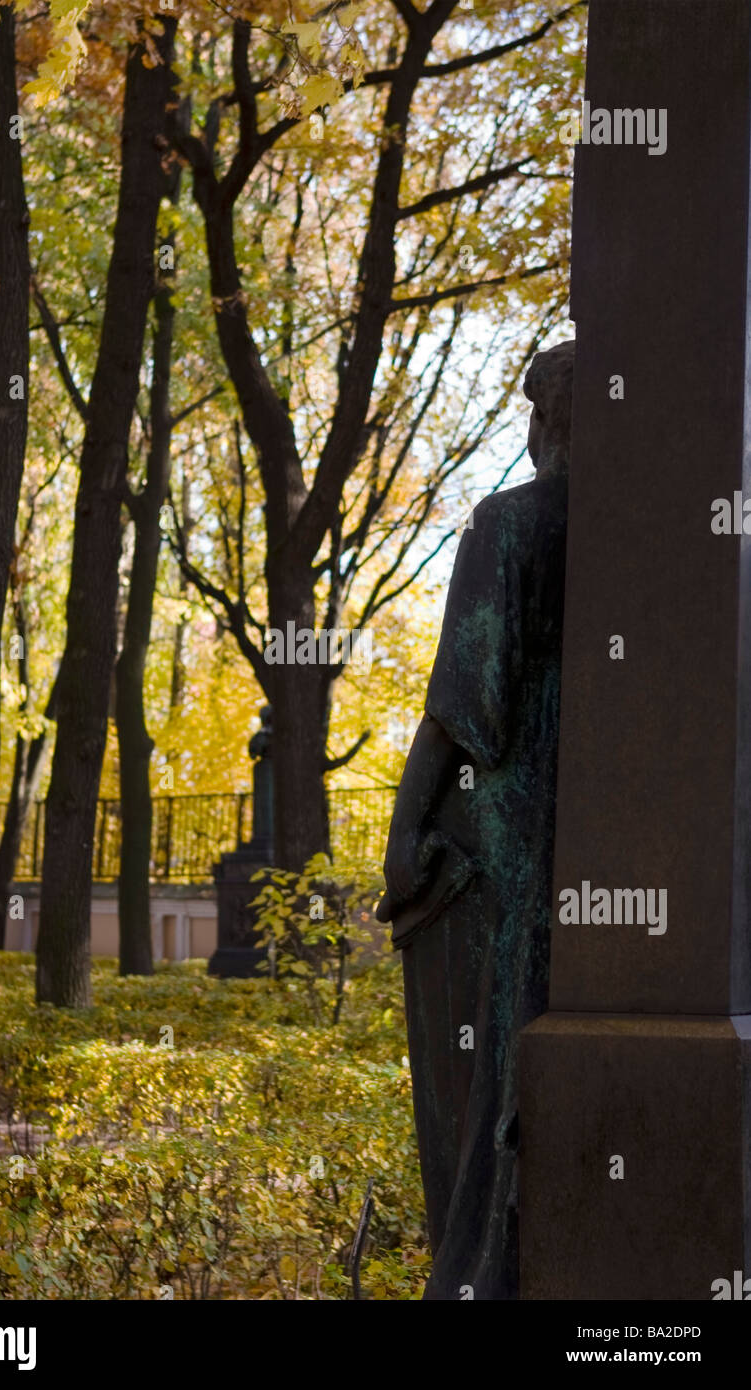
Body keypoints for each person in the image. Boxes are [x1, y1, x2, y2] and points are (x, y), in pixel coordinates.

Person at [376, 340, 575, 1299]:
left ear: (552, 422)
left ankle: (474, 1269)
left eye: (537, 415)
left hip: (492, 838)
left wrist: (403, 835)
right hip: (576, 829)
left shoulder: (511, 522)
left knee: (477, 1062)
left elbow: (461, 705)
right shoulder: (648, 534)